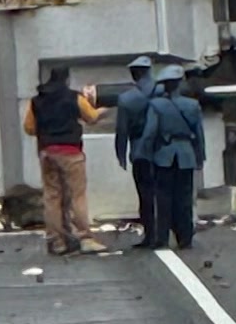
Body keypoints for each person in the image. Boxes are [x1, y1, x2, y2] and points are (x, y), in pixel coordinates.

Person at [24, 66, 107, 255]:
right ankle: (85, 238)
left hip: (47, 152)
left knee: (52, 196)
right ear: (67, 80)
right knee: (77, 195)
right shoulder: (74, 98)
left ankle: (57, 241)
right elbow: (91, 117)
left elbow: (29, 128)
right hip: (71, 153)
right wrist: (103, 110)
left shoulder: (36, 101)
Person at [138, 65, 206, 250]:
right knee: (184, 198)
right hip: (186, 154)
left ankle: (162, 238)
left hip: (164, 155)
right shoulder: (192, 105)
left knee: (163, 198)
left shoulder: (156, 105)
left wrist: (145, 154)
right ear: (179, 83)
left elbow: (149, 133)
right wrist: (200, 157)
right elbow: (199, 134)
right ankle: (185, 238)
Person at [112, 56, 157, 248]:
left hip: (140, 150)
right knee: (170, 192)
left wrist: (121, 153)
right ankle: (177, 232)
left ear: (134, 74)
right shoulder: (165, 93)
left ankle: (150, 234)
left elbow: (122, 130)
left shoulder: (127, 99)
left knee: (145, 194)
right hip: (165, 149)